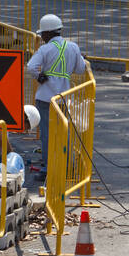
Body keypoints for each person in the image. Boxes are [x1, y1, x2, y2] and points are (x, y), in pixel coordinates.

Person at [25, 13, 91, 184]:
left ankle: (48, 168)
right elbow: (80, 69)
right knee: (63, 132)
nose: (41, 37)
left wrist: (39, 76)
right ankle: (68, 166)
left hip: (46, 98)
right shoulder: (73, 47)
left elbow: (31, 66)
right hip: (64, 98)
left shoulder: (45, 49)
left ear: (47, 33)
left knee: (47, 135)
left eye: (42, 34)